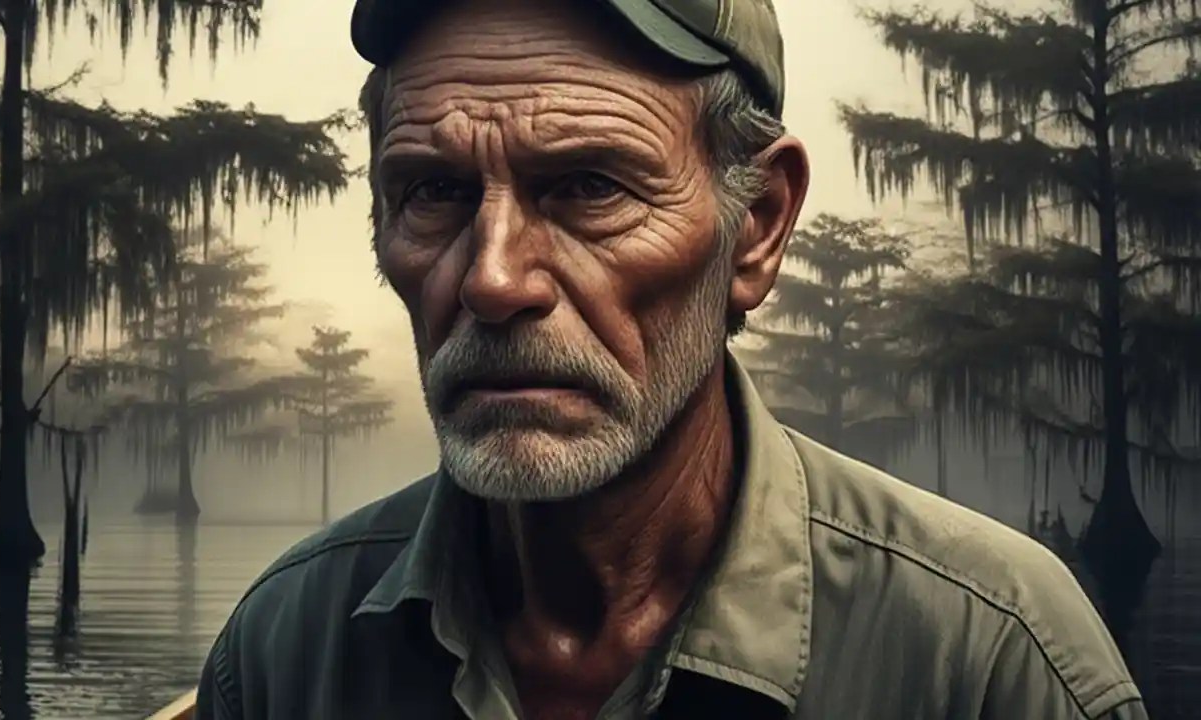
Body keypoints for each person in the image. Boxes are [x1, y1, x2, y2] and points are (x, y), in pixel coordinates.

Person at [195, 0, 1148, 717]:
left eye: (587, 186)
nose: (490, 280)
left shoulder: (989, 661)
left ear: (758, 229)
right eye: (433, 192)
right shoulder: (287, 650)